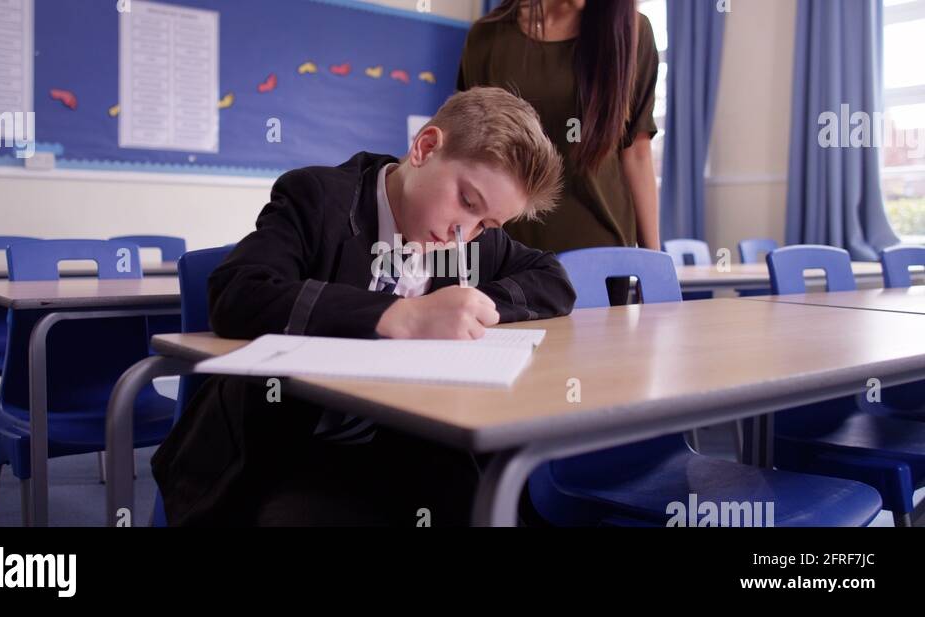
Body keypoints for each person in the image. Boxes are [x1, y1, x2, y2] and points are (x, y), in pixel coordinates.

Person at [151, 87, 577, 526]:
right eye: (467, 202)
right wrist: (401, 316)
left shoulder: (470, 239)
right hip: (283, 450)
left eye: (486, 223)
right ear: (425, 148)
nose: (463, 234)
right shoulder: (317, 198)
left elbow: (553, 280)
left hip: (404, 443)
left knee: (494, 508)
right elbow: (239, 291)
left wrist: (477, 305)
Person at [458, 0, 661, 304]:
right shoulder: (487, 37)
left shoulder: (632, 32)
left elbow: (637, 152)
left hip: (599, 256)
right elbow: (466, 148)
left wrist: (653, 269)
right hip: (502, 250)